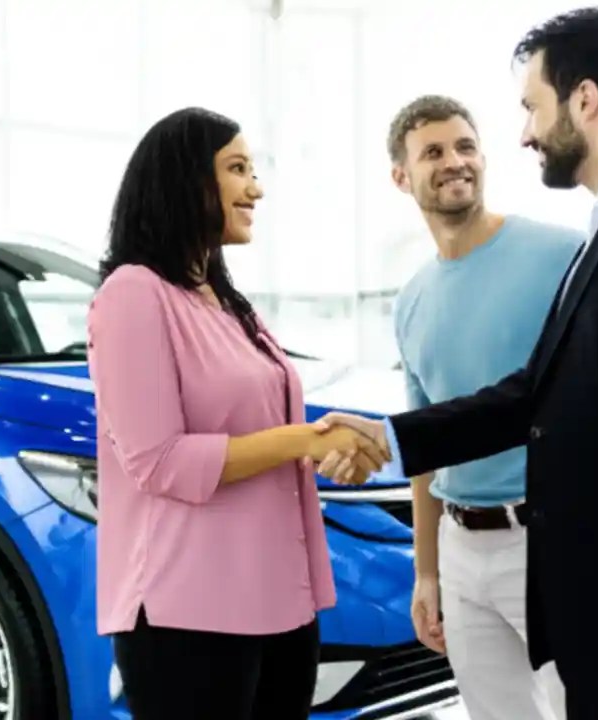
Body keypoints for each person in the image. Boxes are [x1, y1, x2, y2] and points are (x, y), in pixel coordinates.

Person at [318, 8, 598, 719]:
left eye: (533, 106)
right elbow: (536, 393)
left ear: (584, 100)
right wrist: (391, 439)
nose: (526, 132)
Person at [87, 106, 387, 720]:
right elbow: (158, 460)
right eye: (238, 168)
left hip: (278, 604)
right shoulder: (133, 295)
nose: (257, 187)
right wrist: (301, 440)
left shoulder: (226, 303)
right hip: (187, 614)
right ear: (187, 180)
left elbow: (264, 423)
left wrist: (324, 445)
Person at [382, 94, 580, 720]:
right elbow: (426, 454)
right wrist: (428, 573)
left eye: (465, 146)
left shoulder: (563, 255)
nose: (454, 162)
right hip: (462, 550)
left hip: (553, 537)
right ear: (402, 175)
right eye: (433, 152)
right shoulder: (409, 300)